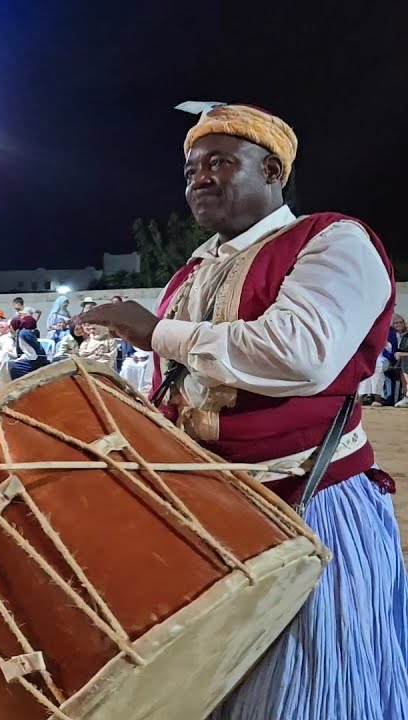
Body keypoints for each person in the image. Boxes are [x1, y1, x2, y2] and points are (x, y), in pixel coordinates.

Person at [78, 103, 405, 719]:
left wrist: (157, 334)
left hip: (310, 508)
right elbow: (180, 388)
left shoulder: (333, 239)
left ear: (273, 171)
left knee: (310, 691)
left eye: (220, 162)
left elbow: (301, 354)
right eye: (191, 167)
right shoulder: (190, 274)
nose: (199, 177)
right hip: (206, 516)